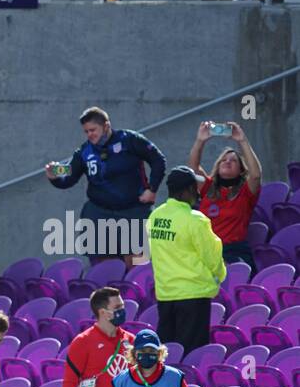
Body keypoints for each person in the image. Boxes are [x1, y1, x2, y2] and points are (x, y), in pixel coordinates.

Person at [46, 106, 166, 267]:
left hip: (133, 210)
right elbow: (70, 177)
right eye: (86, 131)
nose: (90, 135)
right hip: (99, 212)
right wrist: (54, 177)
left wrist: (152, 189)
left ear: (106, 126)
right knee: (105, 266)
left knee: (137, 264)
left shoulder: (129, 139)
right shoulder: (84, 151)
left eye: (93, 130)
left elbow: (158, 160)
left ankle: (136, 290)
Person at [148, 165, 226, 354]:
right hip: (193, 294)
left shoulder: (155, 216)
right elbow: (212, 256)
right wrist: (219, 276)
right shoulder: (195, 220)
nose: (198, 193)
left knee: (168, 354)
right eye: (195, 188)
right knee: (192, 353)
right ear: (188, 190)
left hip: (166, 295)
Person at [188, 121, 261, 269]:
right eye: (224, 160)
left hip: (233, 251)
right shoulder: (208, 187)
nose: (227, 162)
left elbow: (255, 175)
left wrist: (242, 140)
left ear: (241, 170)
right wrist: (200, 140)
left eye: (233, 161)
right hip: (207, 251)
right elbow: (193, 168)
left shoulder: (245, 192)